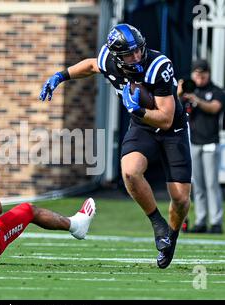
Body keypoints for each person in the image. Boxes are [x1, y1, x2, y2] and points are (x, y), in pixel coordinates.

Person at [40, 23, 191, 269]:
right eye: (129, 54)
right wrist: (61, 76)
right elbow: (90, 65)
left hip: (172, 130)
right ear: (117, 57)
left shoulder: (158, 67)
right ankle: (157, 224)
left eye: (138, 50)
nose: (137, 56)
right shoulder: (109, 60)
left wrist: (138, 109)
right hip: (142, 126)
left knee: (181, 200)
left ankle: (170, 237)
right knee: (130, 171)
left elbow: (165, 119)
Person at [178, 59, 224, 234]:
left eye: (202, 74)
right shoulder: (188, 91)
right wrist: (180, 93)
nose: (199, 78)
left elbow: (214, 108)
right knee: (198, 185)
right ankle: (201, 220)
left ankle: (216, 221)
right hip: (193, 143)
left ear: (208, 74)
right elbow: (173, 106)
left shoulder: (216, 91)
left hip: (210, 143)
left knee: (212, 184)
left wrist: (196, 99)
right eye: (196, 74)